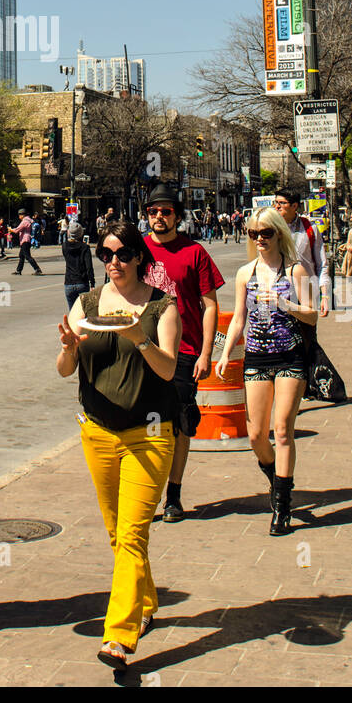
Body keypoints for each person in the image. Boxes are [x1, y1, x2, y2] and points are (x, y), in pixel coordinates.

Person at [57, 219, 181, 669]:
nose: (114, 263)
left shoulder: (161, 307)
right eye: (106, 254)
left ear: (140, 258)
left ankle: (119, 635)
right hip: (98, 432)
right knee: (117, 533)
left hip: (149, 434)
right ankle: (145, 603)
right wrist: (69, 347)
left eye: (123, 254)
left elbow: (168, 370)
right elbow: (65, 370)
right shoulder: (86, 303)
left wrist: (138, 337)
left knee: (132, 533)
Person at [216, 207, 317, 535]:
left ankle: (282, 507)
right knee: (257, 435)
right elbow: (238, 318)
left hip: (290, 357)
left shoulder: (295, 271)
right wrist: (226, 351)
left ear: (278, 234)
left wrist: (286, 305)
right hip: (257, 359)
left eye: (266, 233)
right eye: (253, 233)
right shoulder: (247, 273)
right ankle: (276, 476)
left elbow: (313, 316)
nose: (260, 239)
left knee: (283, 429)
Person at [142, 184, 223, 523]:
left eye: (166, 211)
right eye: (153, 211)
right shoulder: (136, 250)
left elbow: (210, 306)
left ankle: (173, 495)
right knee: (145, 426)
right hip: (143, 349)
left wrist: (207, 352)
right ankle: (146, 493)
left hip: (184, 352)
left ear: (177, 215)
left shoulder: (195, 253)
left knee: (179, 425)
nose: (159, 217)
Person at [273, 191, 331, 318]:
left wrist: (325, 295)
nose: (277, 206)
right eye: (276, 202)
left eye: (282, 203)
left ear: (294, 206)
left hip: (306, 295)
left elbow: (322, 264)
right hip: (278, 294)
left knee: (307, 335)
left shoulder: (310, 228)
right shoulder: (270, 229)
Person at [63, 221, 94, 310]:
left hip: (69, 282)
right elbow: (89, 267)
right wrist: (92, 283)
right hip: (82, 282)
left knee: (73, 312)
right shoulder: (85, 247)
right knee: (84, 311)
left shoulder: (64, 246)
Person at [9, 208, 41, 276]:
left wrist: (10, 229)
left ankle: (37, 269)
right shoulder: (30, 220)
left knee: (27, 256)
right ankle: (19, 270)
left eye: (19, 215)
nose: (19, 217)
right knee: (21, 256)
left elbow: (17, 230)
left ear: (22, 215)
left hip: (25, 240)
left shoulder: (25, 221)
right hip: (27, 240)